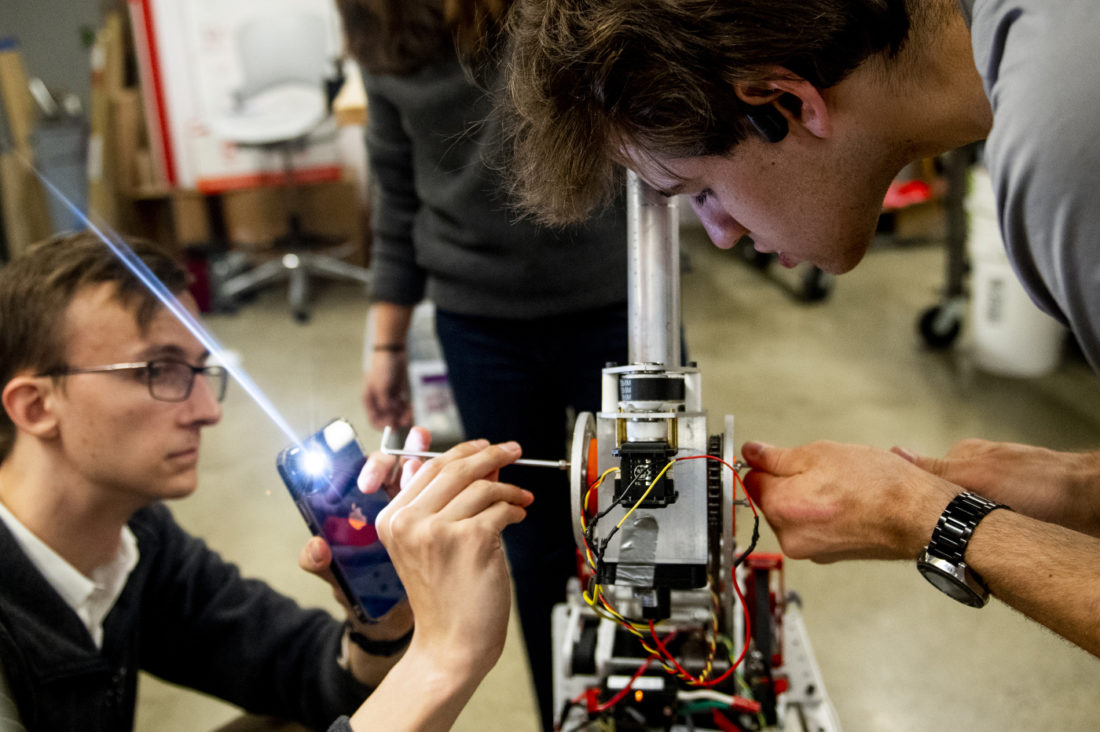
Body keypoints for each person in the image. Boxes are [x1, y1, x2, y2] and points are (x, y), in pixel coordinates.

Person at [498, 0, 1100, 657]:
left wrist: (926, 516)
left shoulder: (1065, 163)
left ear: (785, 104)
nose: (720, 235)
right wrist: (1081, 490)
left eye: (701, 192)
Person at [0, 231, 532, 730]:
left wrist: (384, 626)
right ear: (35, 406)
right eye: (159, 371)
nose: (208, 411)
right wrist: (445, 657)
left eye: (201, 369)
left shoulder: (134, 539)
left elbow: (297, 668)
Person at [337, 0, 630, 727]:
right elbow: (396, 193)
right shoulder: (382, 25)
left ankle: (655, 702)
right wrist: (386, 344)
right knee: (527, 547)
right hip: (481, 323)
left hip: (612, 300)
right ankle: (566, 715)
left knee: (646, 527)